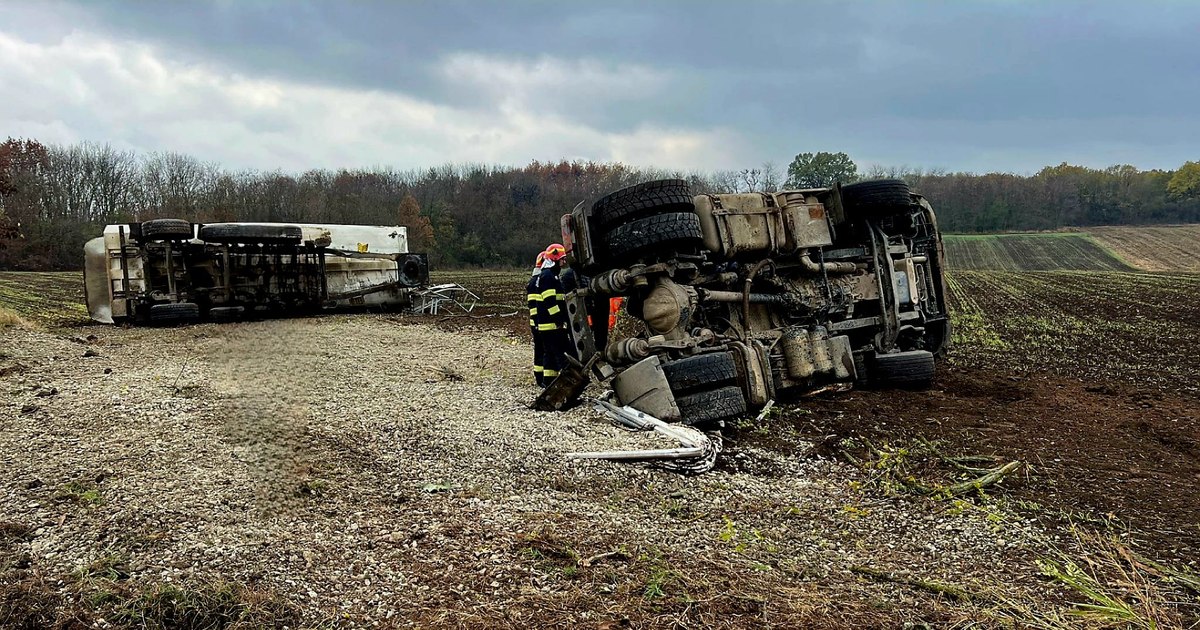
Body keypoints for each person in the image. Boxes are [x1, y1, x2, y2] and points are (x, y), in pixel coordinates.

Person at [533, 243, 570, 385]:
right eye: (562, 259)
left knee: (550, 354)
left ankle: (548, 382)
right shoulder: (548, 276)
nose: (564, 262)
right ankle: (565, 381)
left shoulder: (549, 275)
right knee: (560, 354)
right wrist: (559, 319)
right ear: (554, 259)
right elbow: (550, 302)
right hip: (551, 325)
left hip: (548, 324)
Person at [525, 251, 546, 386]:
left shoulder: (536, 280)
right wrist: (538, 322)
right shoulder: (536, 282)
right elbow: (533, 306)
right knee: (540, 349)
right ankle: (540, 377)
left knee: (540, 349)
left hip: (537, 322)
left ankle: (540, 376)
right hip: (538, 323)